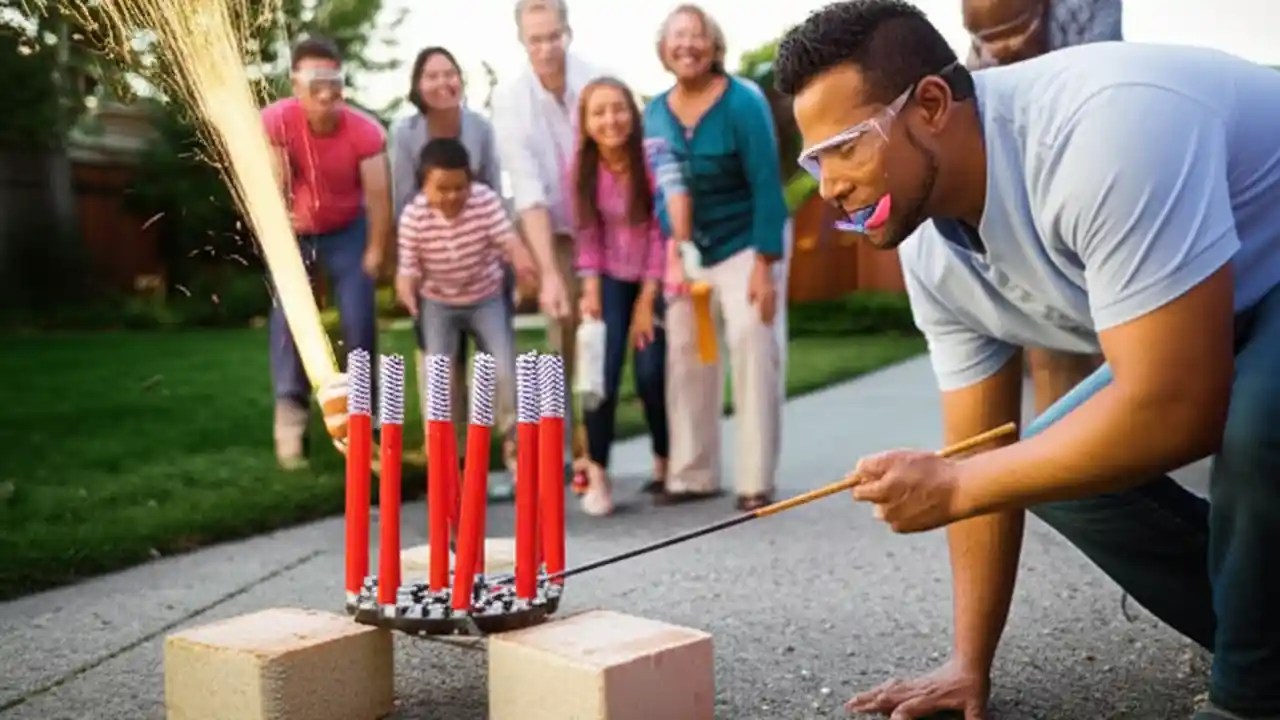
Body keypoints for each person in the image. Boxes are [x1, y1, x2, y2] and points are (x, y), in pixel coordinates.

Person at [774, 2, 1280, 719]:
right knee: (1054, 466)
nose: (829, 187)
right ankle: (1262, 640)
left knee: (1258, 427)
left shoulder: (1100, 132)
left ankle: (1251, 695)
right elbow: (981, 449)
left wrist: (960, 484)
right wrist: (966, 665)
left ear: (931, 103)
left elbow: (1179, 408)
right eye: (815, 159)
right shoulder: (926, 247)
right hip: (1223, 294)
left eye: (848, 146)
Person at [643, 4, 789, 511]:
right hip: (685, 252)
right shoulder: (655, 111)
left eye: (697, 35)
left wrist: (766, 266)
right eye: (677, 37)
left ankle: (755, 480)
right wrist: (670, 255)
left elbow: (768, 183)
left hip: (747, 243)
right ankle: (692, 473)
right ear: (663, 50)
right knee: (686, 354)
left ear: (714, 45)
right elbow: (659, 190)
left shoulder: (743, 102)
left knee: (752, 342)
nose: (687, 45)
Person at [962, 0, 1121, 415]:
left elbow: (1096, 78)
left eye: (1012, 34)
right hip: (1028, 188)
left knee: (1122, 345)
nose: (998, 51)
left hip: (1100, 168)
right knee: (1051, 340)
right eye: (985, 42)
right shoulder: (979, 51)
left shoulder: (1091, 13)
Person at [389, 46, 532, 474]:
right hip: (437, 298)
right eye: (431, 75)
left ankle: (516, 453)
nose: (441, 82)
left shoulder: (481, 179)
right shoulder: (414, 204)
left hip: (486, 290)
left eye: (449, 73)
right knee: (440, 373)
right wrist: (406, 287)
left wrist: (521, 264)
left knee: (504, 369)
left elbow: (506, 233)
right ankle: (451, 462)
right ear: (417, 85)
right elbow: (407, 262)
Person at [262, 36, 392, 470]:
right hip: (298, 236)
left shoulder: (365, 131)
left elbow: (378, 197)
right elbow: (275, 189)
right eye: (315, 80)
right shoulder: (277, 121)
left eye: (334, 80)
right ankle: (291, 426)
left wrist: (375, 249)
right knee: (290, 323)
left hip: (348, 232)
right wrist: (282, 249)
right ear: (296, 84)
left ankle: (364, 424)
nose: (325, 92)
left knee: (358, 322)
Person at [490, 0, 604, 473]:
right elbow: (528, 189)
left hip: (603, 223)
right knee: (560, 332)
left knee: (598, 331)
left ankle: (595, 448)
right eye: (536, 39)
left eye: (553, 37)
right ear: (522, 41)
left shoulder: (597, 81)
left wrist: (595, 268)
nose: (546, 48)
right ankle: (557, 450)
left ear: (568, 33)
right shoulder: (510, 100)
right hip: (549, 229)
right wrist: (552, 275)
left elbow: (609, 174)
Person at [567, 76, 670, 516]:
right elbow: (588, 234)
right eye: (600, 112)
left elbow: (659, 230)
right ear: (587, 123)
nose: (611, 119)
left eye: (619, 108)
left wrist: (647, 300)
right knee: (600, 378)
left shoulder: (651, 157)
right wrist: (590, 288)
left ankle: (665, 461)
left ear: (632, 111)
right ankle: (599, 472)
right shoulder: (580, 168)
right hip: (608, 276)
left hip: (653, 274)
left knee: (649, 373)